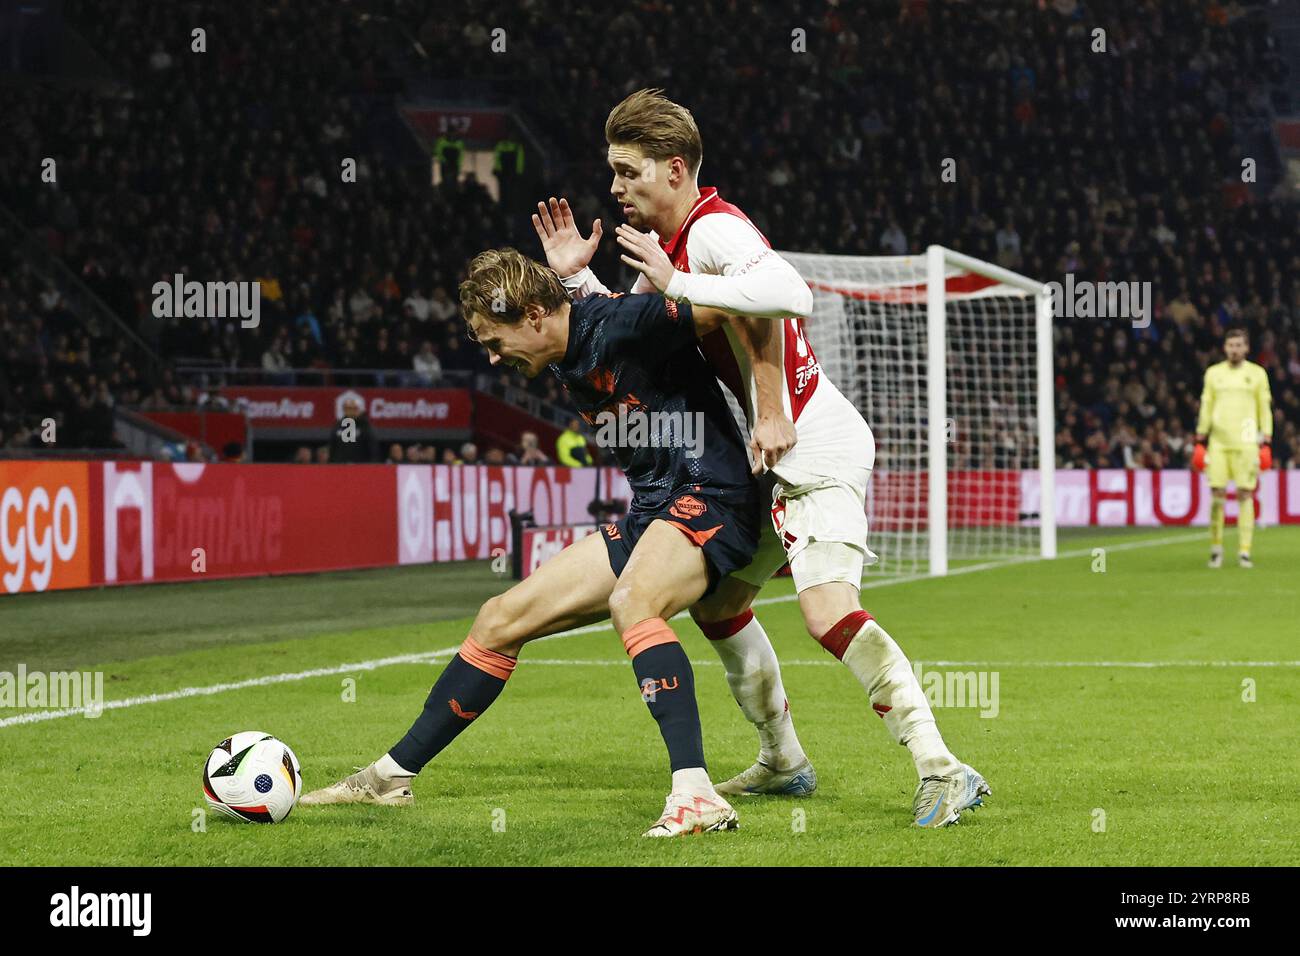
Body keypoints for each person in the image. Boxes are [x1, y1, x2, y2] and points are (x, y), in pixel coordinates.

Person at [532, 88, 986, 827]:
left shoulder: (713, 229)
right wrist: (578, 281)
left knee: (825, 612)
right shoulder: (668, 254)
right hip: (768, 455)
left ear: (674, 170)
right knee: (719, 603)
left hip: (818, 446)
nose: (615, 188)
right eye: (612, 173)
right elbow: (627, 329)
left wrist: (764, 399)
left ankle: (942, 765)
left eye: (628, 171)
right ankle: (783, 759)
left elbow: (786, 292)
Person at [301, 249, 759, 836]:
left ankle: (698, 796)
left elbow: (733, 309)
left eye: (496, 342)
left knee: (633, 603)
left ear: (537, 316)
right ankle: (391, 777)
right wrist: (572, 272)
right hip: (652, 513)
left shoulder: (620, 322)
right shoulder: (561, 346)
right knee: (499, 618)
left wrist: (769, 407)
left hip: (712, 499)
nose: (494, 359)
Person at [1192, 327, 1273, 568]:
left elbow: (1264, 407)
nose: (1235, 350)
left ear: (1246, 348)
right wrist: (1200, 438)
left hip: (1247, 442)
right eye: (1231, 345)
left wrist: (1266, 440)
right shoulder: (1213, 374)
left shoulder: (1257, 374)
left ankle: (1244, 551)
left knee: (1245, 495)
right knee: (1217, 495)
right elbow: (1206, 405)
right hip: (1218, 442)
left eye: (1239, 345)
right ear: (1225, 348)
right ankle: (1216, 549)